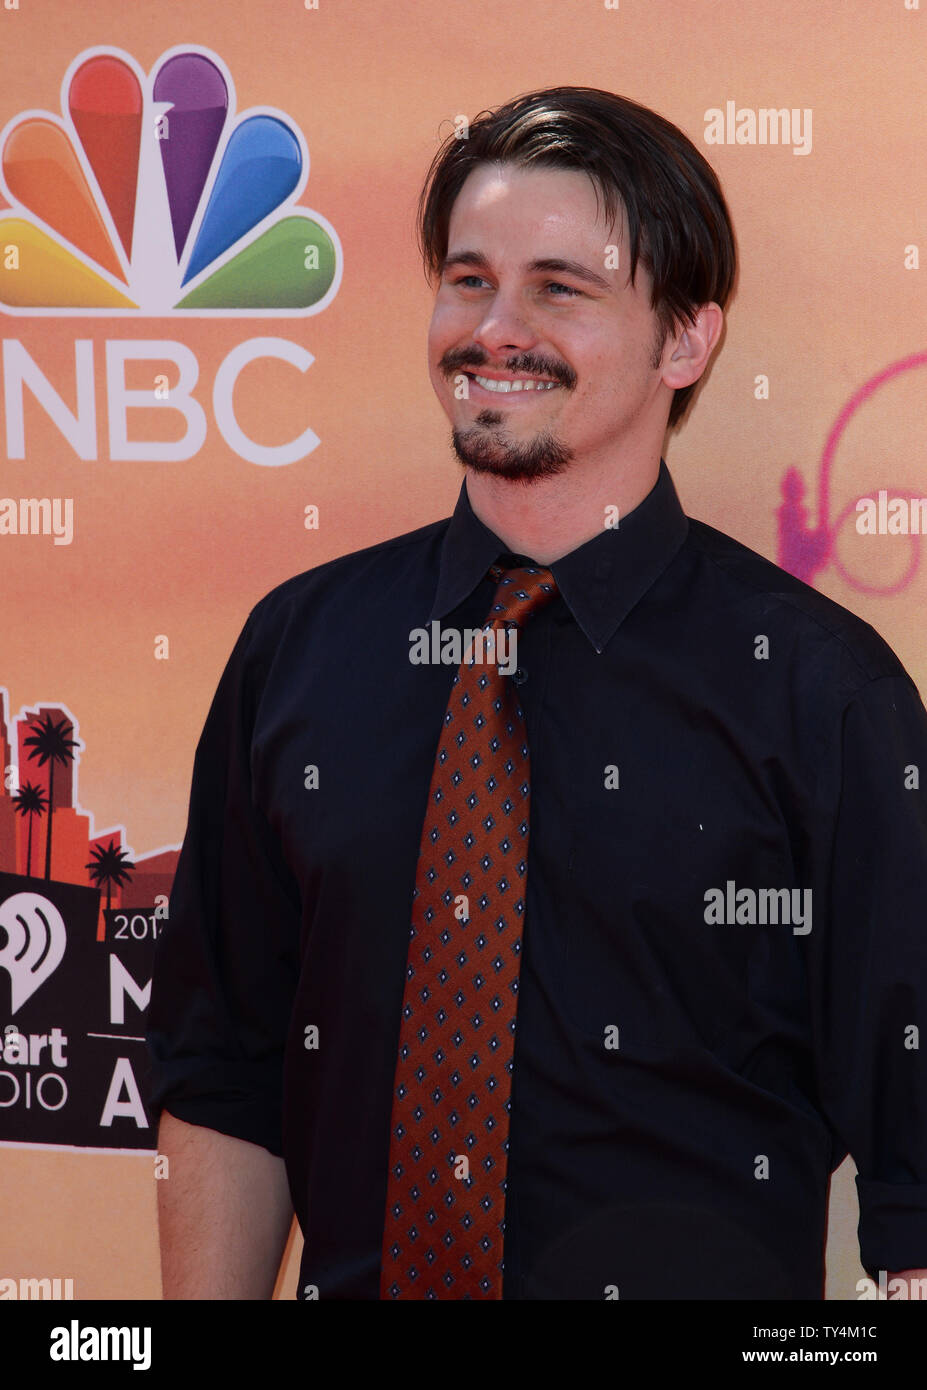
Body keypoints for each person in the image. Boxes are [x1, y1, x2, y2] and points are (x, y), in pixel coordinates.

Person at [146, 86, 927, 1300]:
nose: (494, 329)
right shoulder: (298, 650)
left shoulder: (822, 695)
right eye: (468, 279)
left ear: (686, 340)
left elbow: (914, 1162)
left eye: (560, 288)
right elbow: (223, 1079)